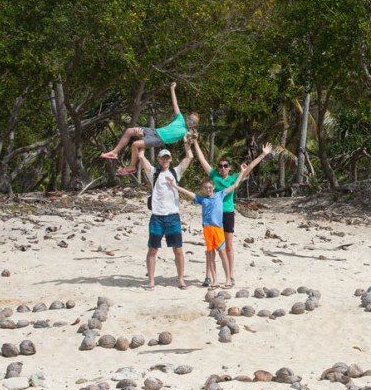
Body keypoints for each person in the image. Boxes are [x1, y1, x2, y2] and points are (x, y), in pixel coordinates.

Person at [178, 143, 273, 288]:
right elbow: (202, 159)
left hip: (227, 214)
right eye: (220, 166)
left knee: (227, 246)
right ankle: (208, 276)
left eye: (225, 165)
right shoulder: (214, 176)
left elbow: (250, 168)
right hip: (212, 217)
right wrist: (196, 142)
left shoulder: (234, 177)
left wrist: (263, 154)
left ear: (229, 168)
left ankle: (230, 276)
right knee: (210, 248)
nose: (222, 168)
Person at [101, 82, 198, 176]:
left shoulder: (187, 132)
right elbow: (175, 103)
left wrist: (194, 136)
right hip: (154, 131)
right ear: (187, 118)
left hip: (159, 140)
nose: (190, 121)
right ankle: (114, 152)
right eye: (190, 119)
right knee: (129, 131)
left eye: (193, 122)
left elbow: (192, 138)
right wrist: (172, 89)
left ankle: (131, 167)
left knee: (135, 144)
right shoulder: (180, 118)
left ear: (194, 125)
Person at [139, 144, 192, 290]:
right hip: (157, 217)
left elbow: (190, 157)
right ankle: (151, 280)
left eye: (167, 158)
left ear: (170, 159)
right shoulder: (153, 173)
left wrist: (186, 142)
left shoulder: (176, 172)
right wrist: (144, 142)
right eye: (162, 158)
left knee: (178, 249)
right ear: (158, 159)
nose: (165, 160)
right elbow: (141, 156)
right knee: (153, 249)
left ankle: (181, 279)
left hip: (173, 216)